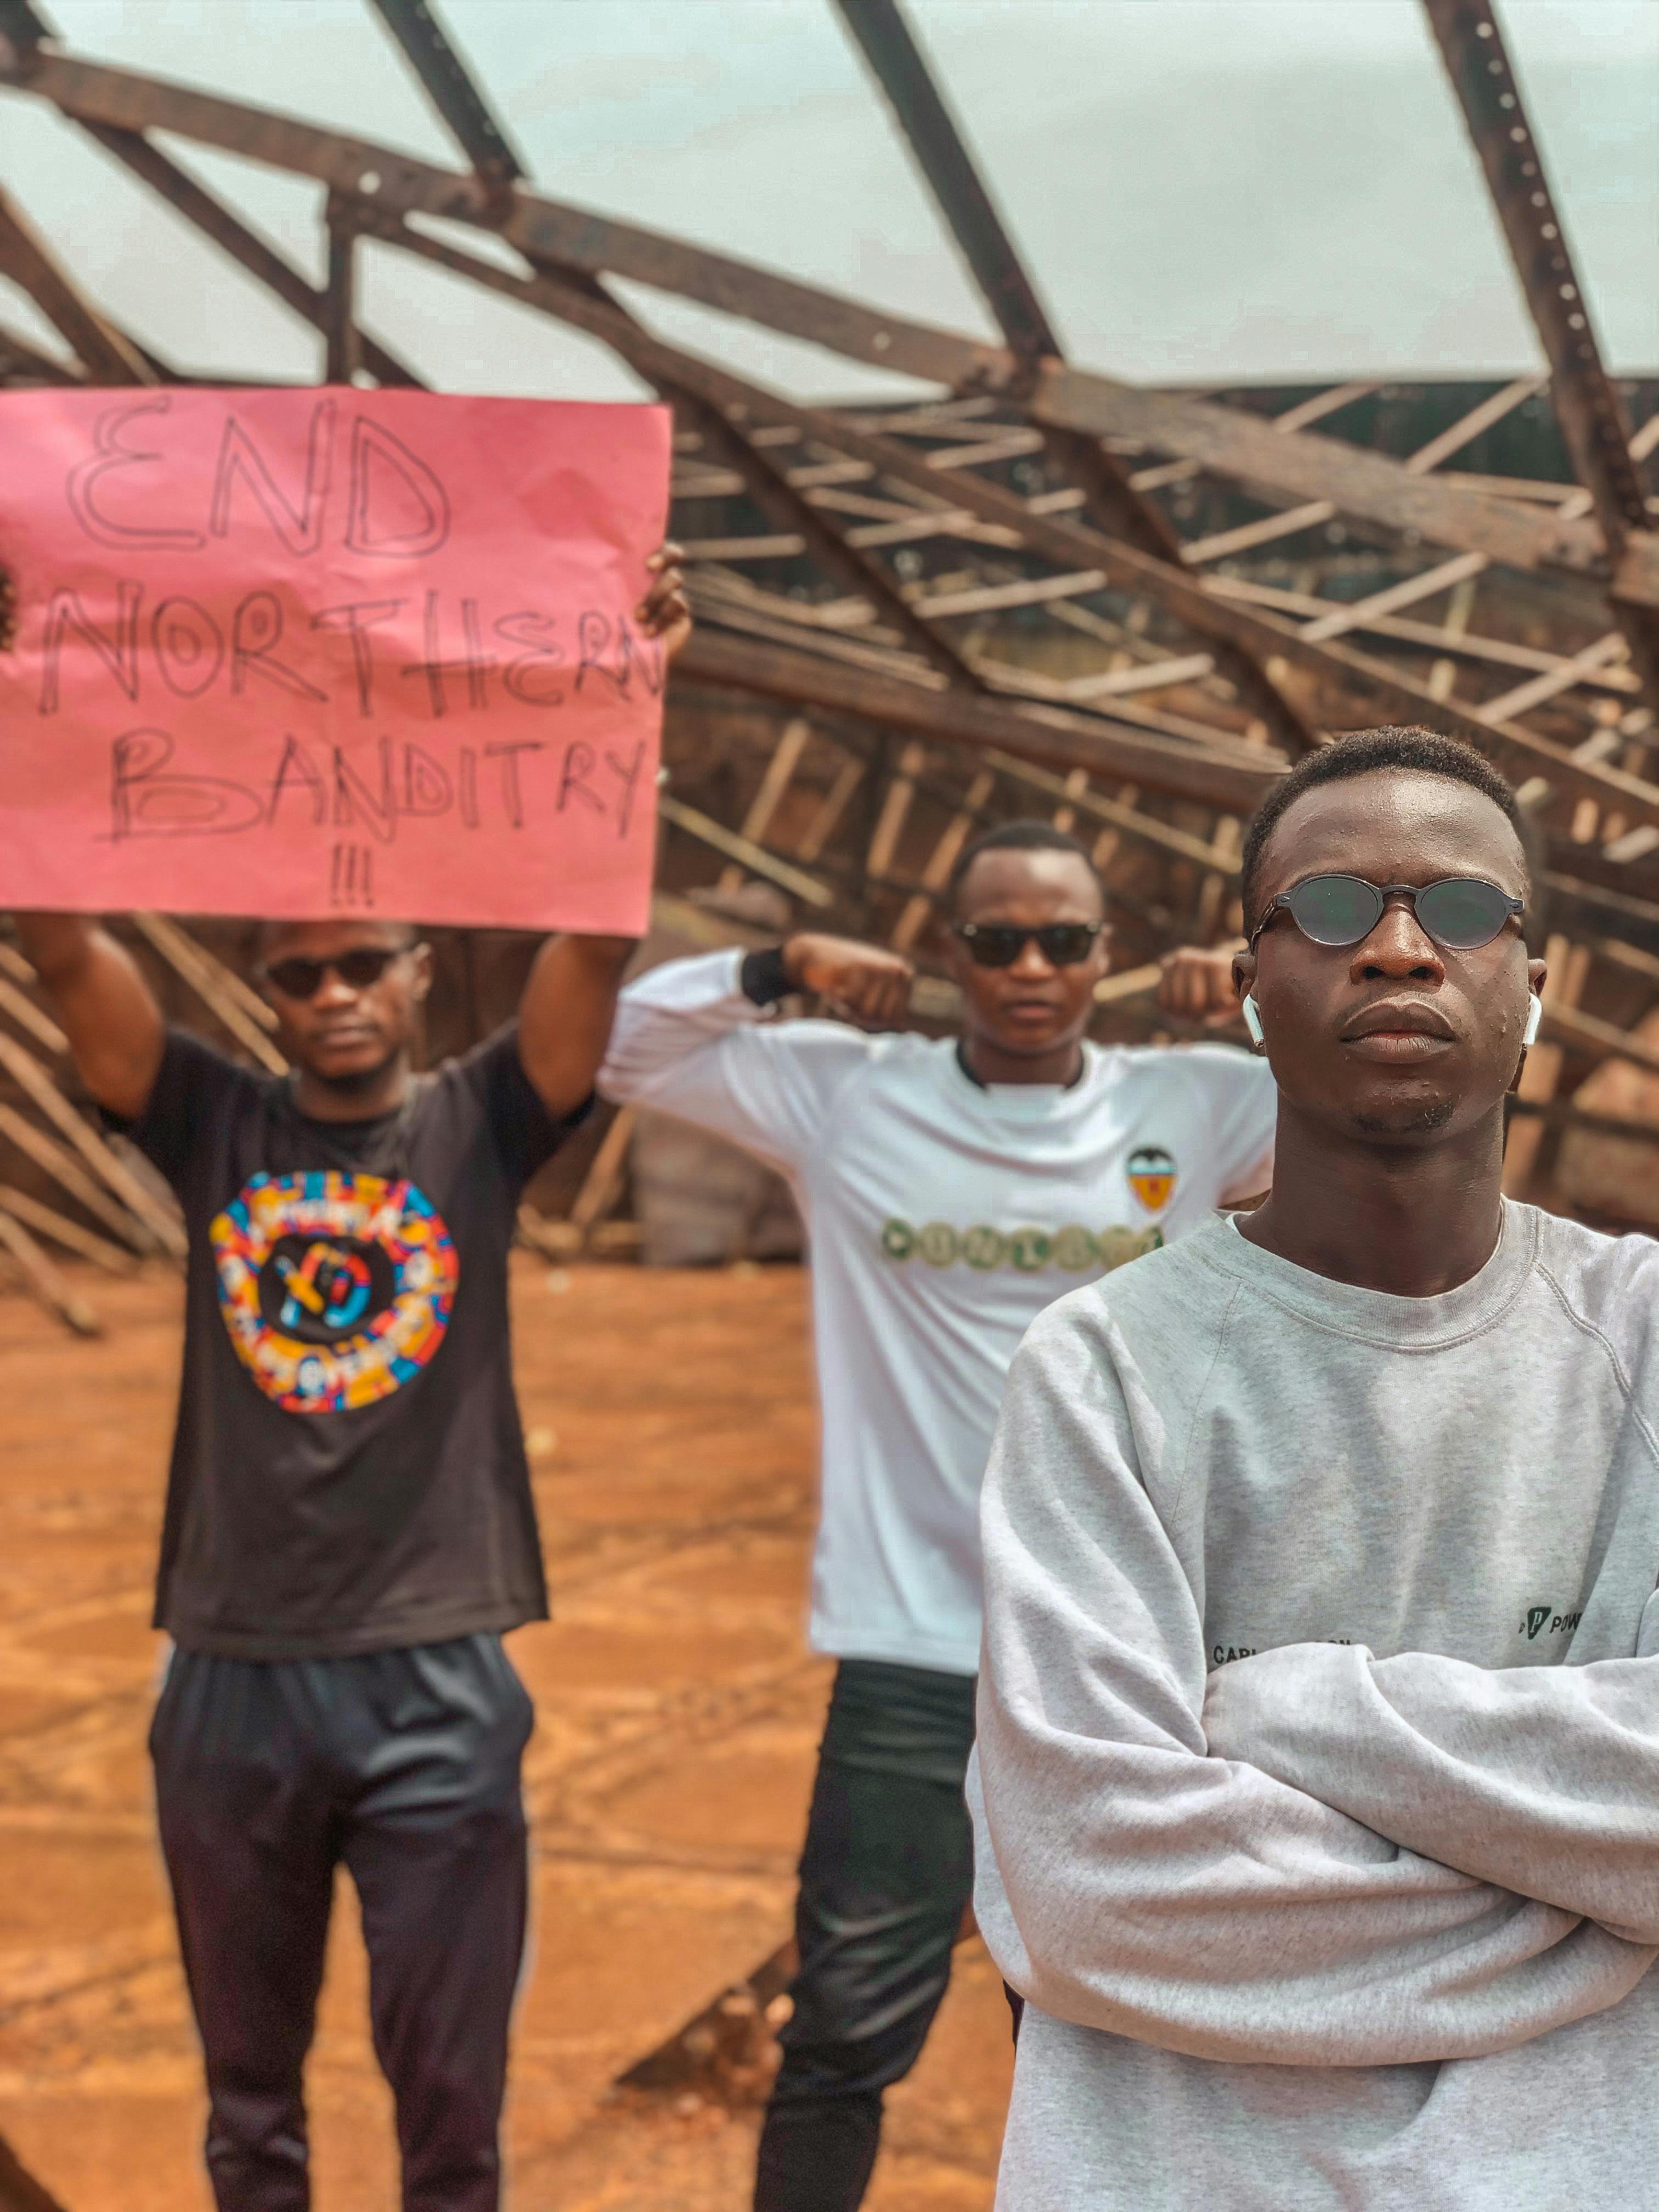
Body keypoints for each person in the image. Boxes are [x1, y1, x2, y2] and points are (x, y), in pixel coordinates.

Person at [14, 554, 690, 2211]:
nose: (332, 998)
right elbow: (58, 945)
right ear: (267, 995)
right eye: (299, 975)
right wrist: (30, 706)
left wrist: (636, 700)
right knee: (251, 2114)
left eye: (362, 965)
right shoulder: (208, 1121)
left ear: (415, 971)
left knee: (452, 2119)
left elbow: (593, 952)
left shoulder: (481, 1122)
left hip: (435, 1681)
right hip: (230, 1678)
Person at [969, 727, 1659, 2210]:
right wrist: (1601, 1890)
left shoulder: (1647, 1340)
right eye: (1333, 909)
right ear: (1248, 987)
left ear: (1536, 987)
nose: (1401, 949)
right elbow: (1096, 1895)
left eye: (1465, 912)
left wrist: (1303, 1711)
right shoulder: (1105, 1369)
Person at [597, 819, 1277, 2211]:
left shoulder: (1200, 1102)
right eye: (997, 939)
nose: (1032, 966)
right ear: (949, 949)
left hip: (1124, 1665)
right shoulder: (850, 1097)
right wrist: (780, 965)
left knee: (1117, 2039)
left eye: (1066, 941)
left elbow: (1411, 1102)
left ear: (1108, 954)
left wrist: (1268, 998)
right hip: (911, 1657)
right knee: (844, 2031)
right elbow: (623, 1048)